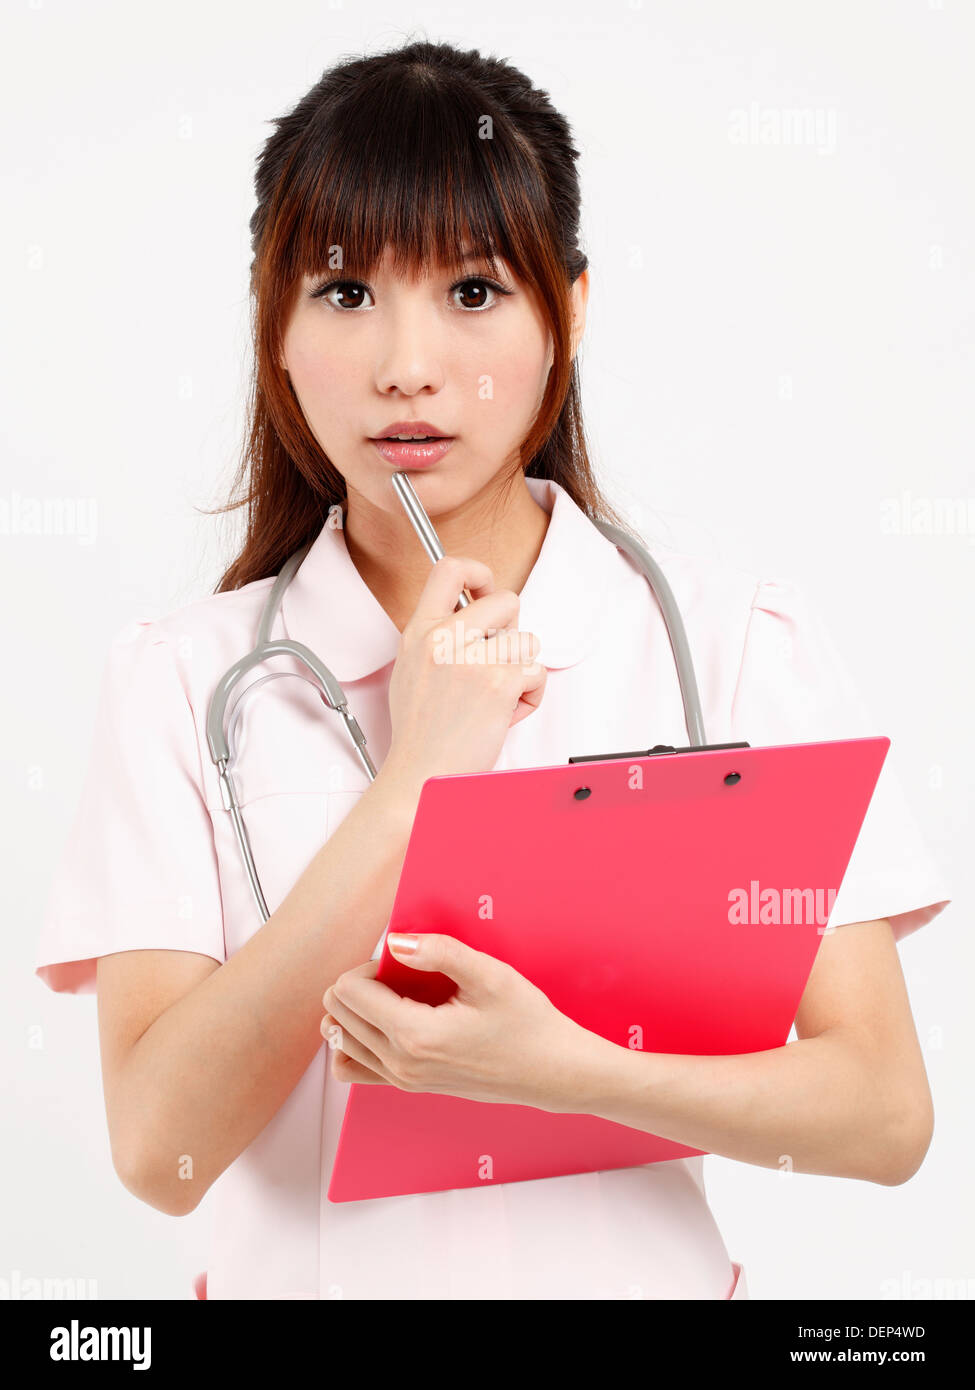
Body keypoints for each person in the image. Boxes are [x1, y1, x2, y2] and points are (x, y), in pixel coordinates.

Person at [35, 39, 950, 1301]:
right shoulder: (181, 684)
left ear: (569, 309)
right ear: (275, 324)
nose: (408, 365)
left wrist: (562, 1068)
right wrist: (421, 774)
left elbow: (883, 1115)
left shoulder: (737, 648)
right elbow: (163, 1148)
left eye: (472, 291)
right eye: (346, 293)